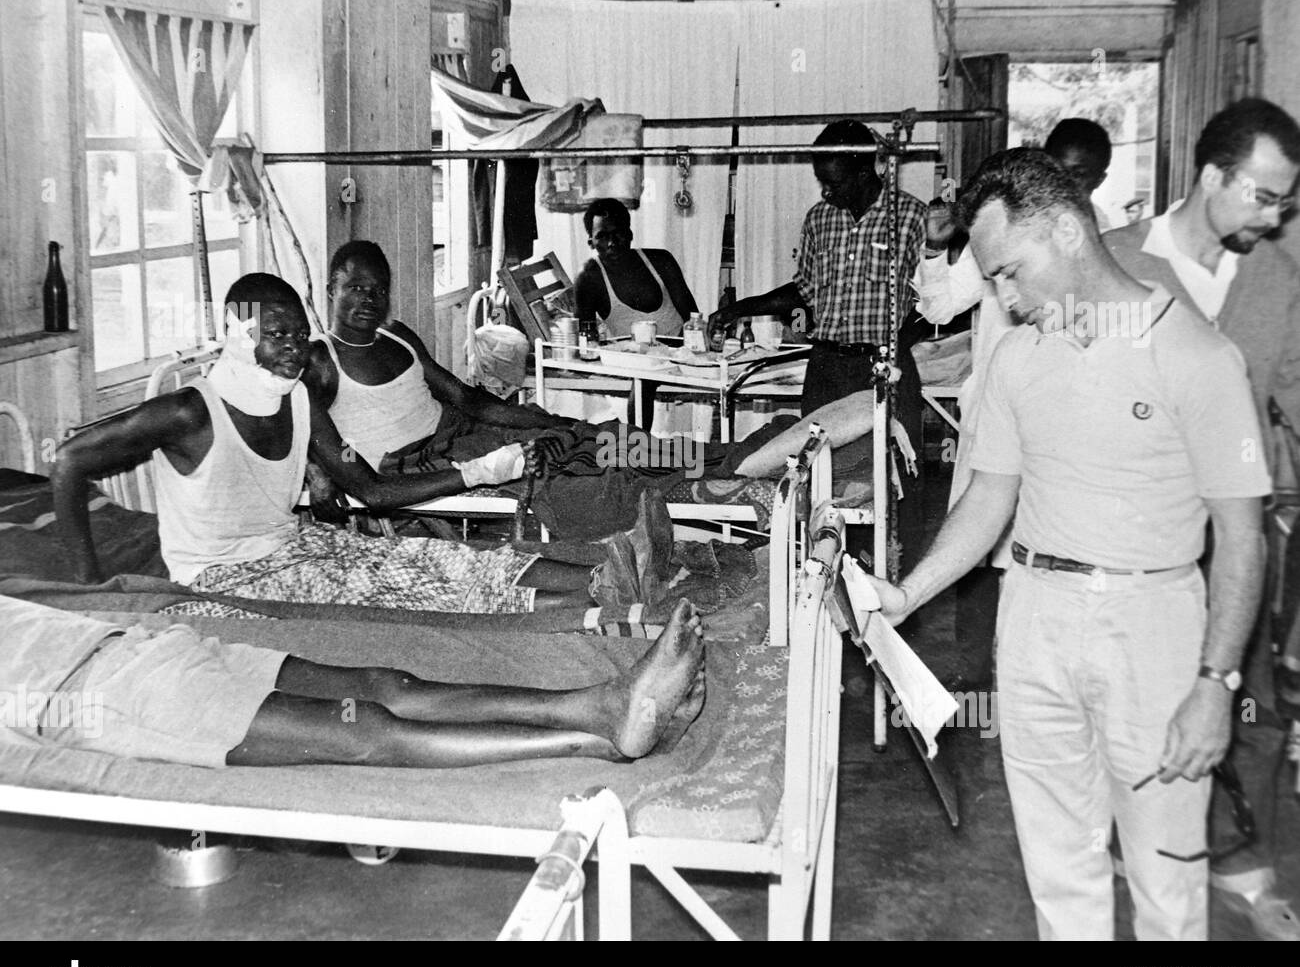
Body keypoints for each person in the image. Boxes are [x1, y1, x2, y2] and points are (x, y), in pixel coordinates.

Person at [867, 148, 1270, 941]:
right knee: (1060, 874)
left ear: (1063, 231)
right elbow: (990, 497)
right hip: (1035, 618)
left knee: (1167, 883)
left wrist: (1216, 684)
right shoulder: (1019, 360)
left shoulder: (1198, 356)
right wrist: (906, 595)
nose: (1006, 301)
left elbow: (1245, 540)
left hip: (1153, 623)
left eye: (1010, 273)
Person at [51, 274, 670, 615]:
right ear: (237, 338)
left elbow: (370, 490)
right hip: (221, 577)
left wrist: (480, 470)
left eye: (298, 331)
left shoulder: (295, 397)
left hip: (293, 545)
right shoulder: (189, 411)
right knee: (405, 590)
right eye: (275, 335)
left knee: (445, 560)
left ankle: (609, 571)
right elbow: (70, 459)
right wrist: (86, 581)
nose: (295, 347)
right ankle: (596, 597)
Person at [307, 240, 892, 538]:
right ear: (327, 288)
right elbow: (357, 475)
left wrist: (546, 423)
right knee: (594, 472)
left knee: (605, 436)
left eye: (376, 290)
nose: (366, 300)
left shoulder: (400, 337)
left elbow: (469, 399)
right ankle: (730, 476)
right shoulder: (320, 362)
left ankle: (734, 456)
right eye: (353, 288)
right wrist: (319, 473)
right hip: (431, 463)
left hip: (468, 433)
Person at [1103, 96, 1300, 941]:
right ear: (1213, 176)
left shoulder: (1277, 274)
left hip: (1241, 531)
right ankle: (1135, 848)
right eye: (1264, 196)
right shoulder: (1114, 263)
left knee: (1246, 693)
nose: (1277, 215)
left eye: (1287, 201)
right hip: (1135, 535)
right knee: (1132, 697)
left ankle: (1244, 864)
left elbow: (1291, 392)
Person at [2, 594, 706, 768]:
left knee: (383, 681)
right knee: (365, 731)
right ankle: (595, 741)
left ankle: (601, 701)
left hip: (148, 645)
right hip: (115, 697)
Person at [914, 116, 1117, 684]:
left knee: (1054, 553)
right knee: (981, 552)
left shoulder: (1114, 241)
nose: (1074, 185)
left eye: (1084, 176)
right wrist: (935, 251)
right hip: (997, 419)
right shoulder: (1005, 235)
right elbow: (938, 308)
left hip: (1072, 427)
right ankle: (977, 675)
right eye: (1062, 171)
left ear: (1101, 178)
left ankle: (1045, 676)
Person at [708, 119, 928, 418]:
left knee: (881, 460)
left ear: (863, 173)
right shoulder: (819, 219)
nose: (825, 192)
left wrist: (899, 346)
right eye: (820, 181)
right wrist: (736, 309)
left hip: (883, 365)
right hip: (826, 367)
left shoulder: (912, 217)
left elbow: (933, 302)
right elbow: (804, 291)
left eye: (833, 183)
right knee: (814, 455)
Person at [573, 198, 695, 339]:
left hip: (680, 353)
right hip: (630, 358)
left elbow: (692, 319)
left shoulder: (660, 260)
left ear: (630, 234)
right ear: (591, 242)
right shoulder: (588, 278)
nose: (612, 243)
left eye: (618, 233)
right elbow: (585, 339)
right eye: (602, 236)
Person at [1043, 117, 1113, 231]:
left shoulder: (1101, 231)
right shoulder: (1021, 216)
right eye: (1057, 169)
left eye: (1078, 174)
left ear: (1099, 181)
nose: (1064, 181)